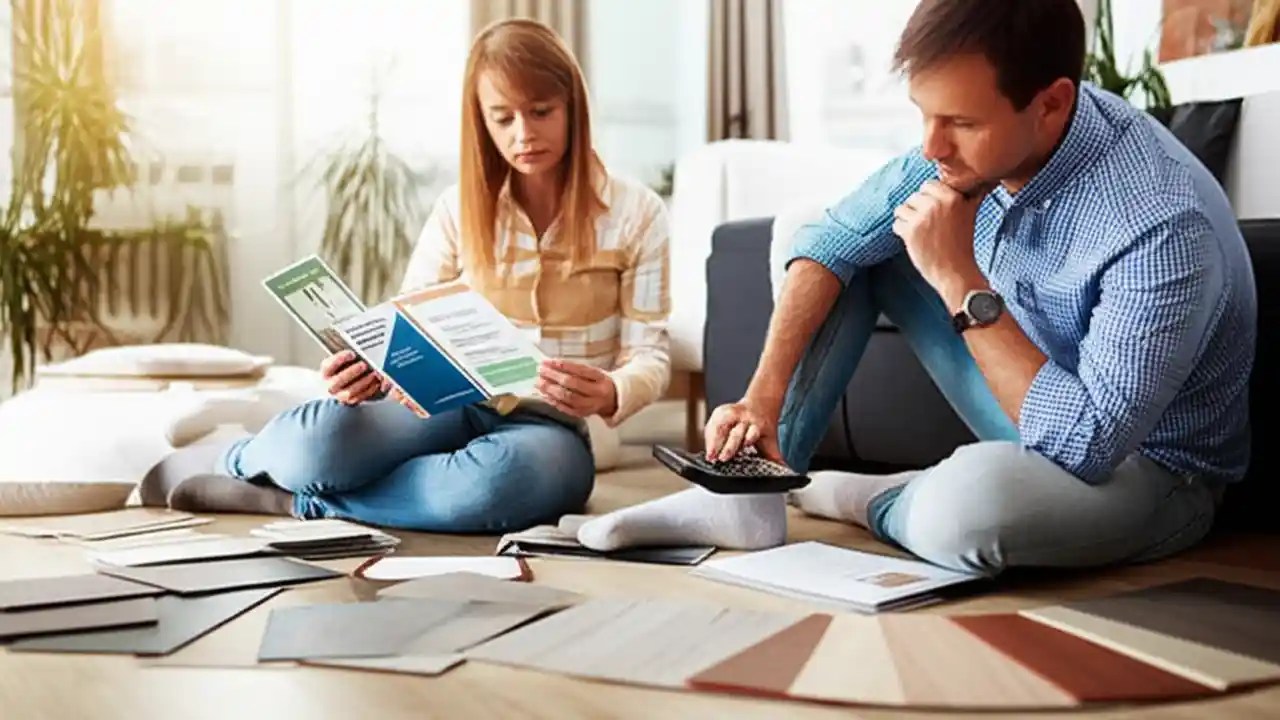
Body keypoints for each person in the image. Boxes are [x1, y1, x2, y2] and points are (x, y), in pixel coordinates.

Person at [565, 0, 1256, 576]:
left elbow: (1086, 444)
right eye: (926, 114)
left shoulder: (1162, 224)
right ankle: (750, 498)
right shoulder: (977, 141)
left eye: (960, 123)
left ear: (1050, 106)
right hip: (1030, 409)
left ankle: (872, 497)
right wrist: (762, 397)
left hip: (1148, 472)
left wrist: (958, 277)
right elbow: (830, 241)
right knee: (838, 237)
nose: (932, 146)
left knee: (967, 516)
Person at [142, 19, 672, 533]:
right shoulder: (458, 209)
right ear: (482, 123)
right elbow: (406, 322)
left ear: (572, 109)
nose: (524, 133)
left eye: (541, 111)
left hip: (551, 429)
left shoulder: (636, 213)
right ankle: (239, 458)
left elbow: (650, 354)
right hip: (444, 406)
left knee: (500, 487)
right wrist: (364, 368)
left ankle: (298, 501)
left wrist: (611, 391)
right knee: (319, 444)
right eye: (503, 118)